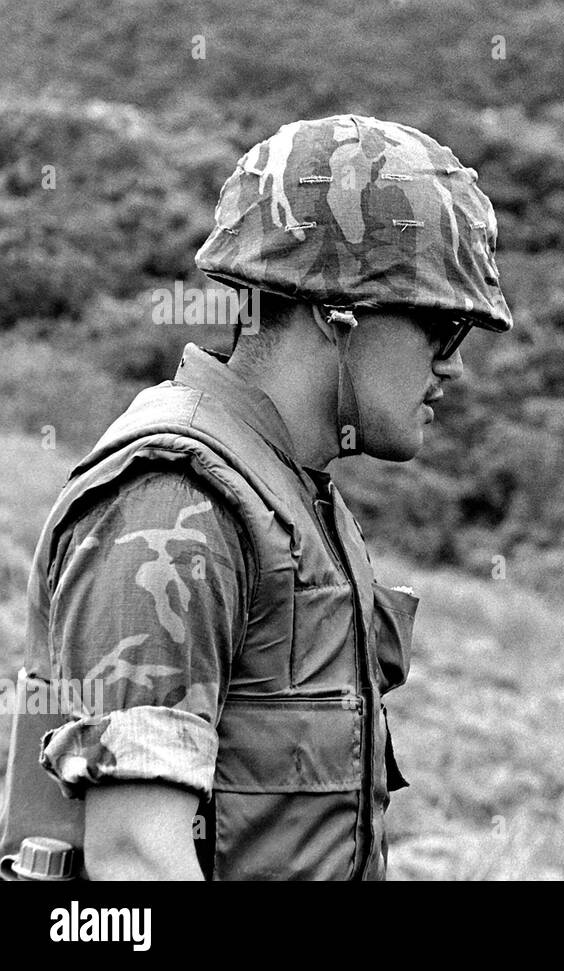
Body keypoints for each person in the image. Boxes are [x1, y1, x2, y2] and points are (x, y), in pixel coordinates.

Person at [3, 115, 512, 879]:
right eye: (442, 326)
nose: (456, 368)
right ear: (335, 312)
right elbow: (136, 859)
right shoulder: (178, 501)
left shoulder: (295, 497)